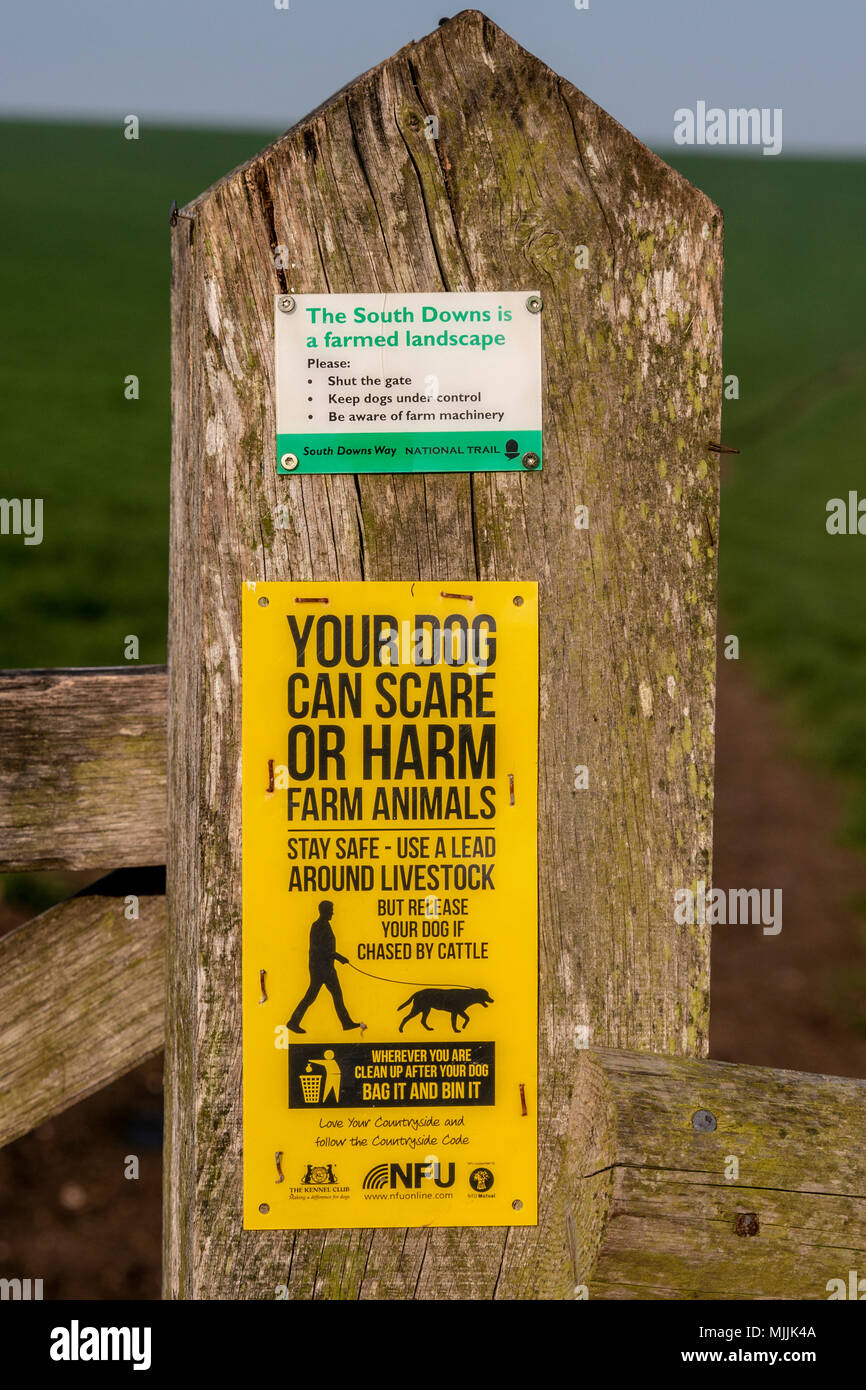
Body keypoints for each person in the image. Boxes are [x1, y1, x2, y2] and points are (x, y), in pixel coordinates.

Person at [287, 901, 359, 1033]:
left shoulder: (325, 925)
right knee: (311, 996)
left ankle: (346, 1023)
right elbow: (320, 950)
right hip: (320, 969)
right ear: (324, 911)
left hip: (328, 968)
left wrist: (336, 958)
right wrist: (338, 957)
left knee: (336, 995)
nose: (333, 912)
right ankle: (293, 1022)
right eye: (331, 910)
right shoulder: (318, 926)